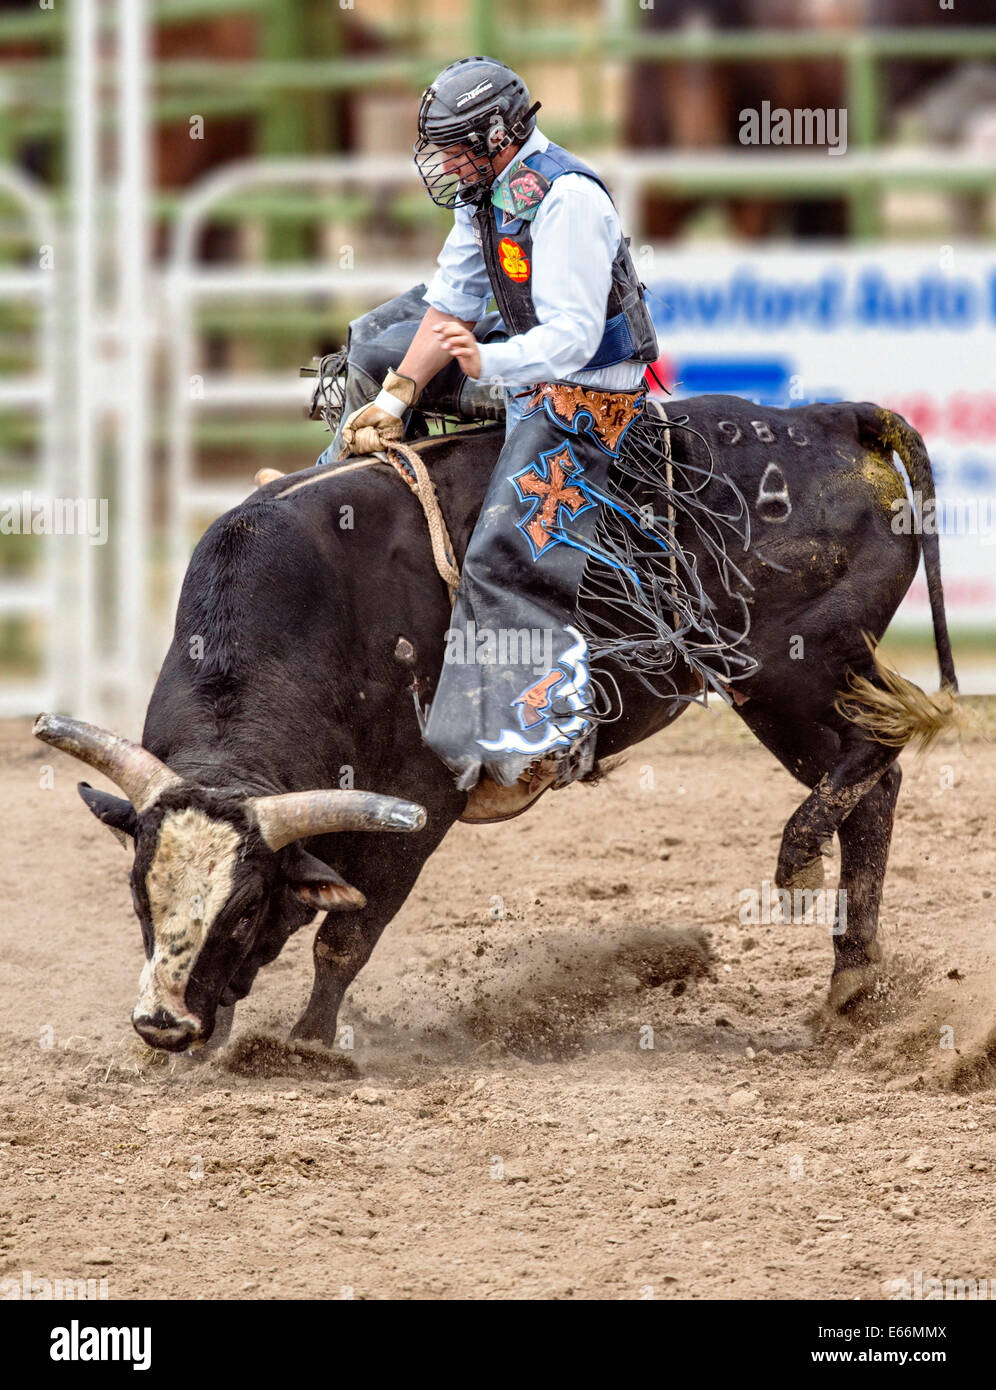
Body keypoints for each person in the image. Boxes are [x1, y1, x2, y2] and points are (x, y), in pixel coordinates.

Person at [337, 56, 661, 822]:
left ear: (495, 134)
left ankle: (529, 736)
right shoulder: (488, 192)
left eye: (454, 146)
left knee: (504, 559)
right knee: (373, 346)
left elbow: (578, 338)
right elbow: (452, 297)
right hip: (522, 369)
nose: (443, 163)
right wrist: (397, 394)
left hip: (586, 396)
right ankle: (336, 482)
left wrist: (490, 362)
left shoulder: (569, 201)